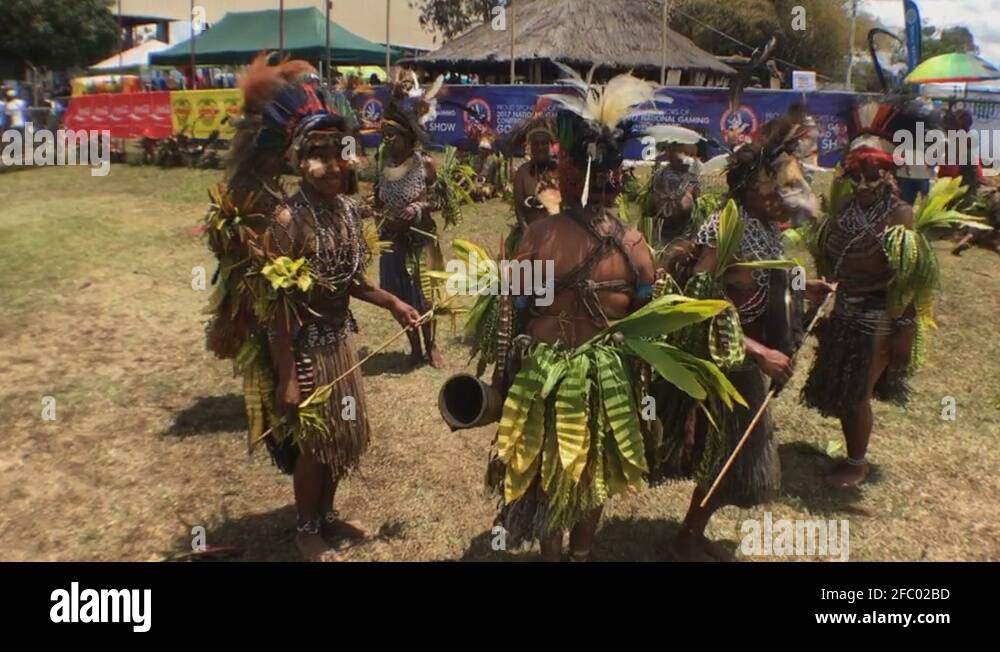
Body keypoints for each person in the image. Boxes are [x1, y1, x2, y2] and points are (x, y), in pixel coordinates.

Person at [487, 69, 730, 562]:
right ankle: (580, 553)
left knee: (552, 468)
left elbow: (514, 309)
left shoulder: (539, 237)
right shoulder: (636, 244)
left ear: (573, 175)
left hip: (547, 373)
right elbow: (646, 315)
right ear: (616, 179)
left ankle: (557, 554)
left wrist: (504, 368)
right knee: (592, 466)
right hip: (606, 379)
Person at [204, 55, 421, 562]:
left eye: (337, 152)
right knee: (312, 441)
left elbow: (350, 281)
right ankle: (305, 526)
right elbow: (277, 306)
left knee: (343, 434)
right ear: (299, 161)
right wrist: (287, 374)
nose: (331, 165)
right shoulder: (287, 219)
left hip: (339, 343)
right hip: (302, 347)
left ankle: (326, 515)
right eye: (317, 154)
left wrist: (393, 303)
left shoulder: (345, 211)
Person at [660, 108, 824, 561]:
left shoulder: (767, 230)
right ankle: (688, 536)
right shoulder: (723, 227)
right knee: (721, 450)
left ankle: (693, 530)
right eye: (774, 191)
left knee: (735, 450)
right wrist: (759, 353)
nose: (781, 201)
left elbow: (765, 279)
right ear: (751, 186)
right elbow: (701, 303)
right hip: (724, 359)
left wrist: (806, 286)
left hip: (748, 359)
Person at [802, 97, 958, 489]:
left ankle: (857, 463)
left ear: (889, 173)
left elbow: (910, 277)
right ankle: (851, 452)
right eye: (858, 172)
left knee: (857, 393)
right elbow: (828, 255)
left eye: (875, 172)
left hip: (878, 316)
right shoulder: (841, 211)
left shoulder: (898, 214)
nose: (865, 181)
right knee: (845, 388)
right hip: (845, 311)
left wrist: (904, 326)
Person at [375, 78, 446, 369]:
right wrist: (377, 214)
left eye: (393, 135)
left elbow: (442, 202)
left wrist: (417, 208)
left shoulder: (424, 164)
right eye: (384, 135)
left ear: (407, 137)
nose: (388, 140)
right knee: (398, 299)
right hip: (392, 244)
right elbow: (377, 201)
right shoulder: (383, 166)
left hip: (419, 242)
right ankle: (414, 347)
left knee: (425, 299)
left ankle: (431, 347)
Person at [646, 140, 701, 247]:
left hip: (685, 230)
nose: (688, 159)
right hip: (665, 231)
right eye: (684, 154)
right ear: (670, 154)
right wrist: (683, 199)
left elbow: (696, 202)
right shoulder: (663, 176)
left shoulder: (692, 177)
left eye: (692, 155)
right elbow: (660, 206)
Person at [509, 115, 560, 227]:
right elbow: (519, 209)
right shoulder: (522, 173)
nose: (540, 147)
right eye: (536, 144)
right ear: (530, 147)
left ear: (549, 146)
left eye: (544, 143)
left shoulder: (559, 171)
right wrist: (527, 233)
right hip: (531, 233)